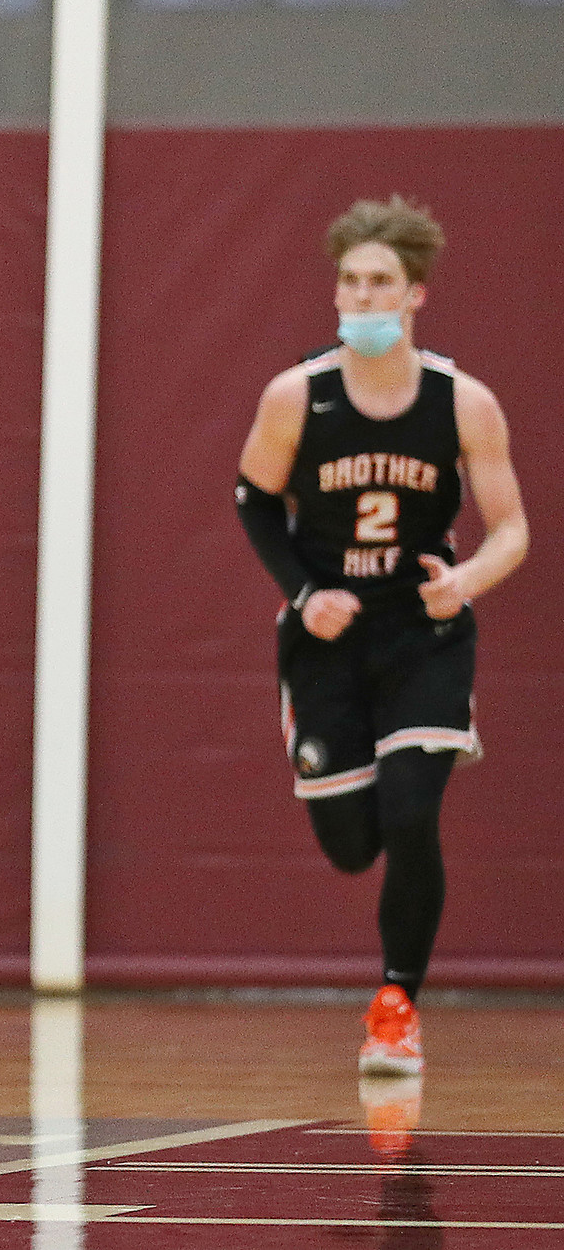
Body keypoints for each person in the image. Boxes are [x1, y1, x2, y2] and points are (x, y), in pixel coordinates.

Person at [235, 195, 527, 1077]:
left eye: (380, 283)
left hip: (422, 634)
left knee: (413, 812)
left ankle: (397, 1005)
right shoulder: (298, 395)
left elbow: (512, 527)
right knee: (352, 843)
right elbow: (254, 500)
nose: (361, 297)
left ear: (414, 295)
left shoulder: (463, 403)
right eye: (350, 281)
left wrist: (467, 579)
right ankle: (392, 972)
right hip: (326, 637)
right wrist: (302, 590)